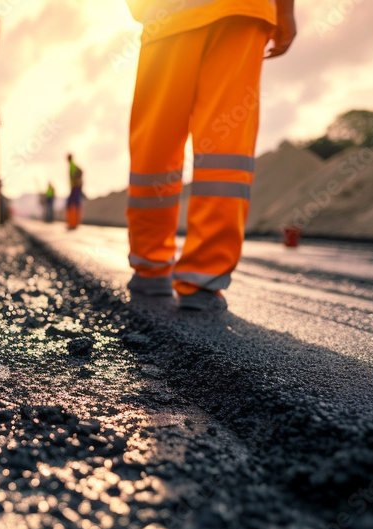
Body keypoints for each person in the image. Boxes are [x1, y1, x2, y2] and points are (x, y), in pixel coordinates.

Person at [123, 0, 296, 310]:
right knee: (225, 145)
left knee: (156, 137)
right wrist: (284, 12)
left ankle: (151, 264)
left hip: (167, 15)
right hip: (242, 12)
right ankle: (202, 277)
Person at [66, 154, 84, 230]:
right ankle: (73, 222)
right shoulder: (71, 165)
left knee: (72, 203)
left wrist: (76, 179)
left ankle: (74, 223)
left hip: (76, 187)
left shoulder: (72, 165)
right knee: (74, 203)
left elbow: (80, 171)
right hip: (75, 187)